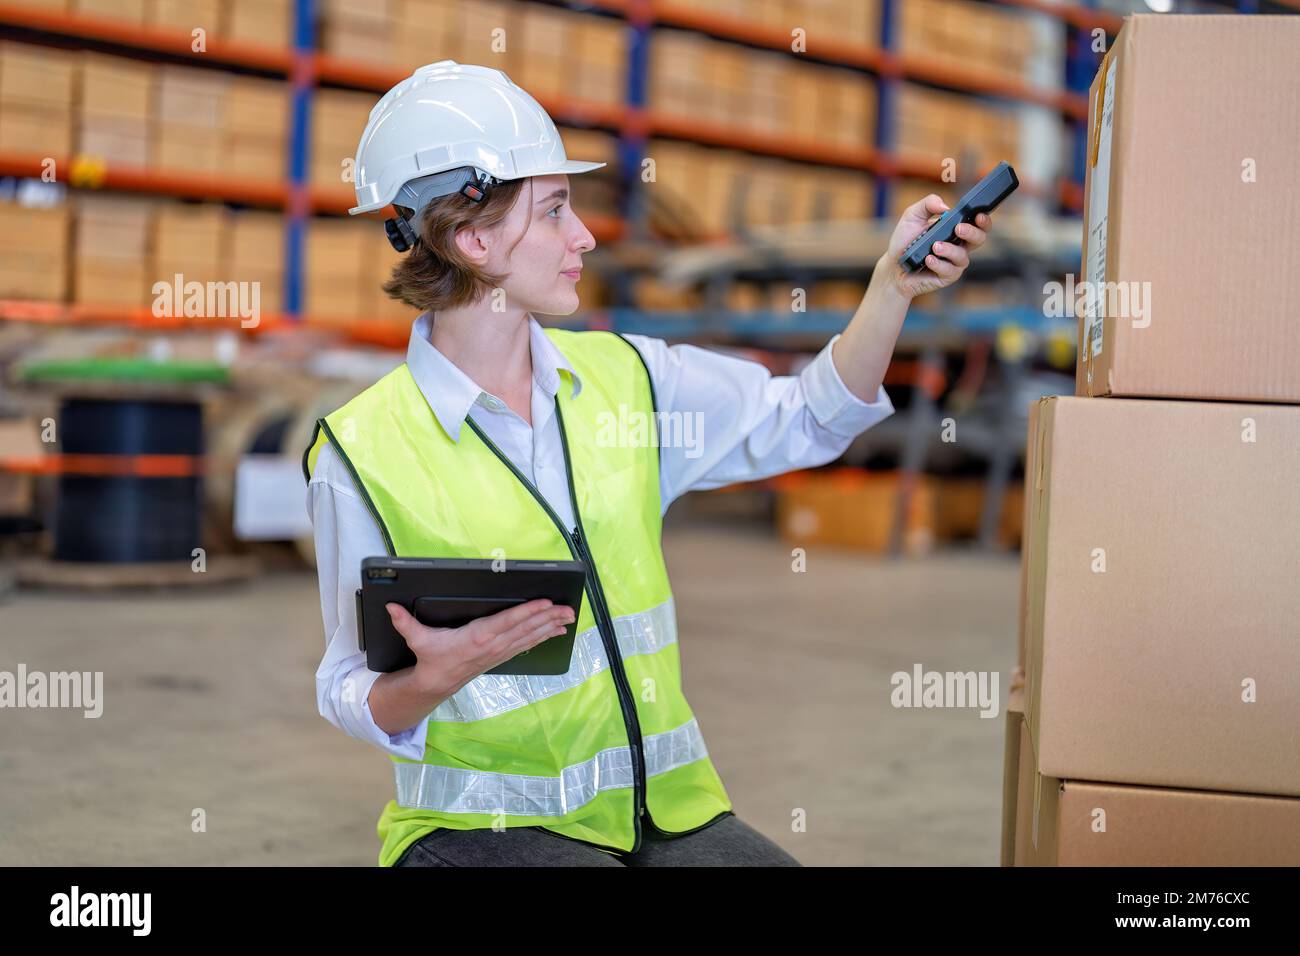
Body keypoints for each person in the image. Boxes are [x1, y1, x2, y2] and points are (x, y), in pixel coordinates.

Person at [304, 61, 992, 868]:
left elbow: (810, 417)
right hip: (477, 830)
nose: (585, 236)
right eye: (554, 210)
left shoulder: (629, 380)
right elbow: (347, 686)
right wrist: (432, 680)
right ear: (474, 237)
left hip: (662, 814)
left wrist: (892, 289)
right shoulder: (362, 450)